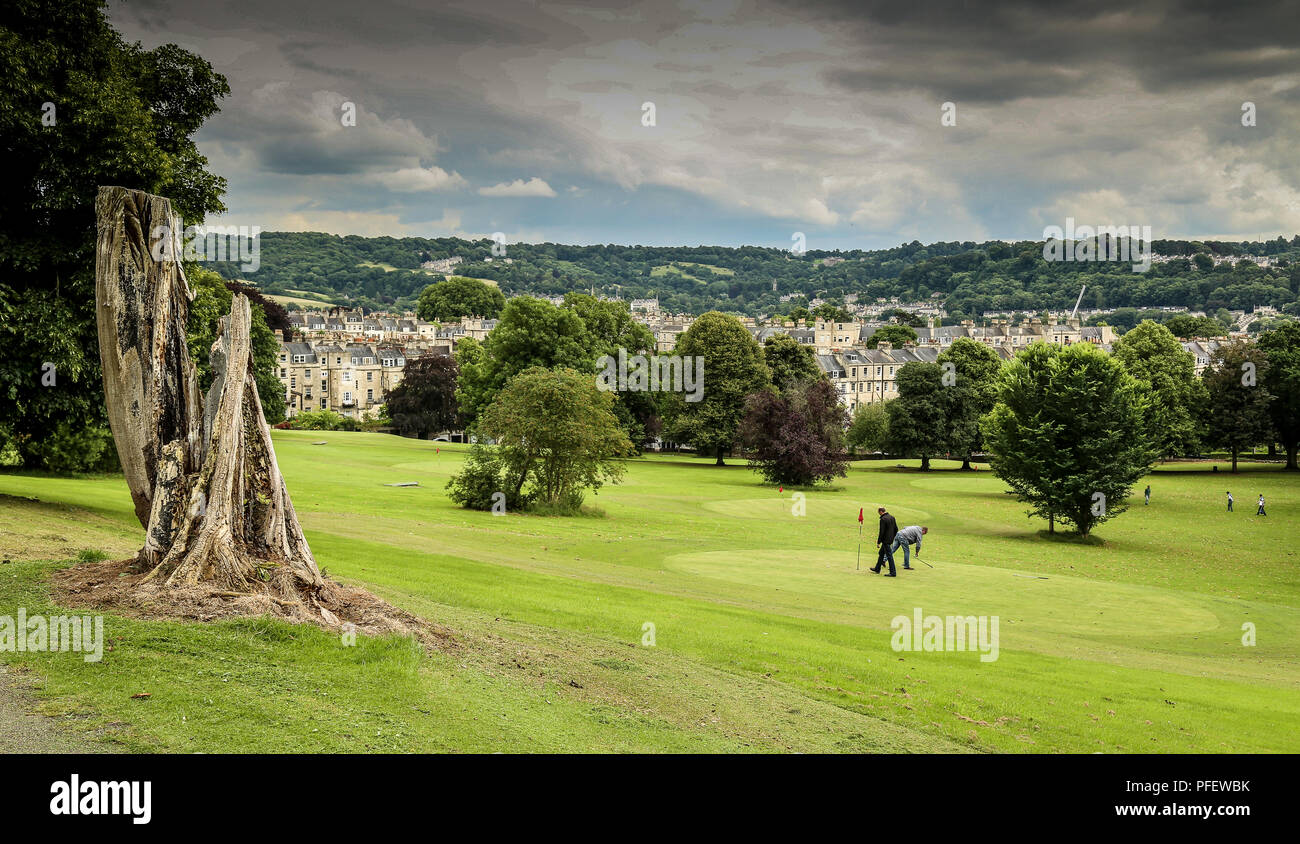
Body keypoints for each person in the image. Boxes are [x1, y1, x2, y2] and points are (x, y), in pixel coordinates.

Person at [871, 507, 898, 576]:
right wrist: (892, 537)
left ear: (880, 512)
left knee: (889, 556)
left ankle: (893, 572)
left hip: (885, 540)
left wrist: (878, 542)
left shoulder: (883, 519)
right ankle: (877, 568)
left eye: (879, 513)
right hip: (890, 539)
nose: (879, 514)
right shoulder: (892, 517)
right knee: (881, 553)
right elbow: (896, 529)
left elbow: (881, 532)